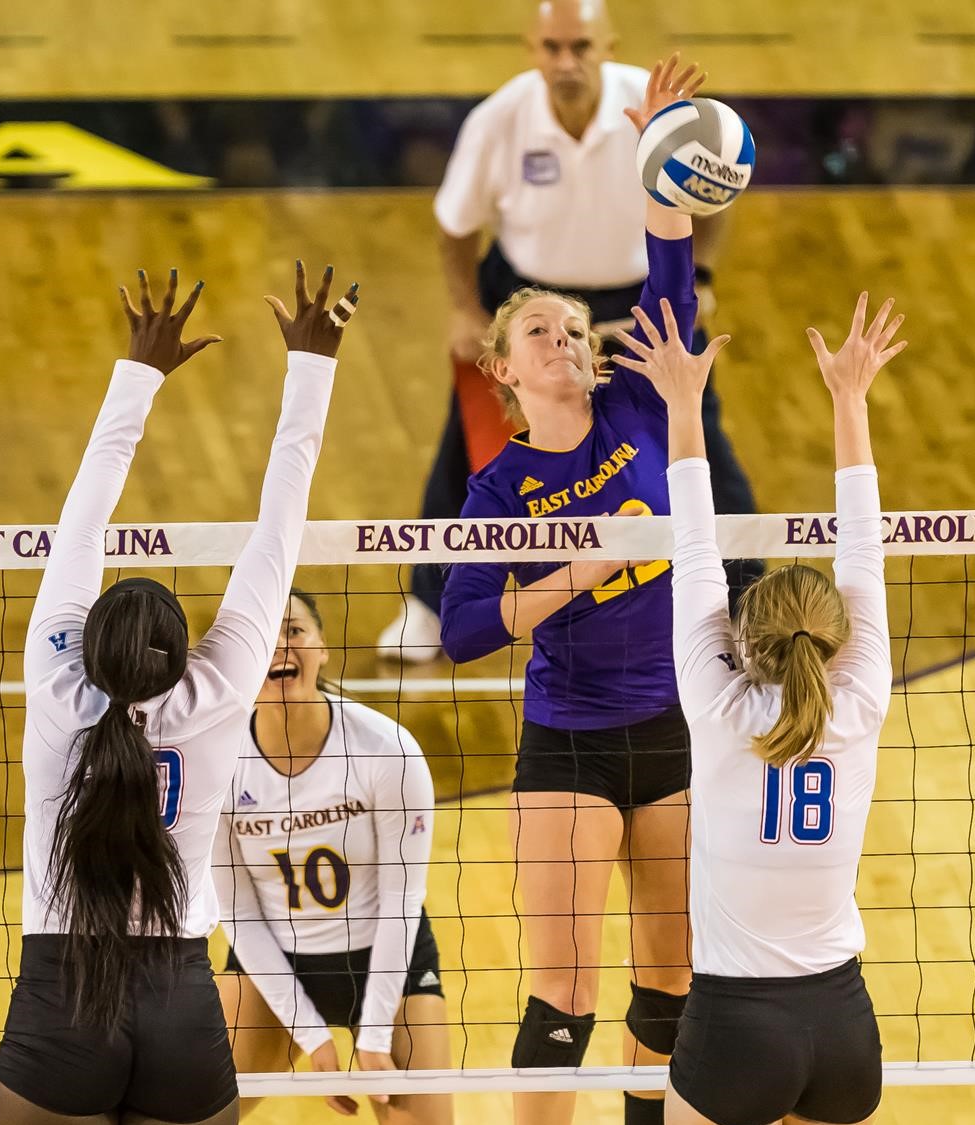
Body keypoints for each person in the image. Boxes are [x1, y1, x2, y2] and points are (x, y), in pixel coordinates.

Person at [0, 264, 359, 1125]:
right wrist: (311, 366)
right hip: (182, 1006)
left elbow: (82, 516)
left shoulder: (55, 682)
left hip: (60, 996)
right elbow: (282, 522)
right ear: (181, 650)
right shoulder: (222, 686)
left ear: (88, 643)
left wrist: (139, 371)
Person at [438, 54, 707, 1125]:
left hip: (677, 722)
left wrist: (661, 160)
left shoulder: (636, 409)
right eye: (540, 333)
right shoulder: (496, 489)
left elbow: (669, 282)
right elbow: (462, 631)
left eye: (574, 333)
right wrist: (565, 579)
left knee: (673, 984)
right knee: (565, 994)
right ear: (503, 371)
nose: (566, 342)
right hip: (570, 736)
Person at [376, 0, 761, 663]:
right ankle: (430, 599)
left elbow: (715, 195)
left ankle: (750, 599)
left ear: (607, 44)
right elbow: (454, 225)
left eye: (579, 47)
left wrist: (703, 274)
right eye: (552, 48)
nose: (565, 62)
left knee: (700, 438)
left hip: (643, 295)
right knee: (466, 448)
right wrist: (467, 311)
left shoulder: (653, 109)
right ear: (533, 47)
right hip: (527, 293)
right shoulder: (499, 119)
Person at [614, 291, 900, 1125]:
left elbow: (696, 544)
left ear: (741, 638)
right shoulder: (862, 695)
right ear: (839, 639)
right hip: (845, 1025)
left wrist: (681, 403)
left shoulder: (717, 705)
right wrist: (852, 399)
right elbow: (863, 553)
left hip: (737, 1022)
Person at [215, 590, 451, 1125]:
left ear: (322, 649)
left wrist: (372, 1038)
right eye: (263, 635)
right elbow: (237, 915)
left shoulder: (386, 749)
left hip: (385, 953)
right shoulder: (219, 763)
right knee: (196, 1114)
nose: (281, 645)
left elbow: (402, 900)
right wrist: (313, 1037)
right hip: (274, 959)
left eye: (295, 630)